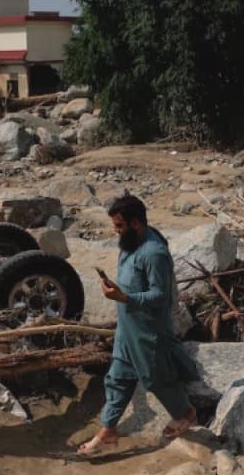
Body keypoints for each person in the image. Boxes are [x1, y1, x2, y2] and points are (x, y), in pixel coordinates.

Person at [78, 194, 199, 455]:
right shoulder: (131, 241)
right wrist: (115, 290)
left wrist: (124, 297)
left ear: (135, 223)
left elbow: (159, 296)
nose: (116, 231)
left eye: (120, 226)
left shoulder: (154, 253)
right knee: (117, 378)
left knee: (157, 378)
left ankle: (186, 413)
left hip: (148, 331)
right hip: (127, 327)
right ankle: (108, 430)